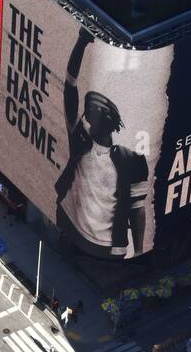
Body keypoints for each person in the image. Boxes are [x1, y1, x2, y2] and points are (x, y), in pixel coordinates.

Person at [55, 30, 149, 259]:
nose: (90, 117)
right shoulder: (80, 137)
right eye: (89, 112)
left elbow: (137, 209)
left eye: (97, 113)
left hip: (109, 247)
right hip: (69, 220)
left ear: (111, 122)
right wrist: (81, 41)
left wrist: (138, 252)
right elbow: (70, 85)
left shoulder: (132, 160)